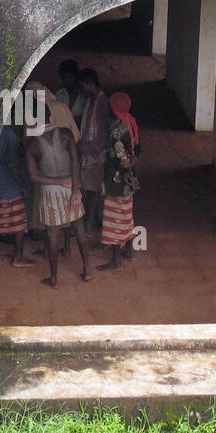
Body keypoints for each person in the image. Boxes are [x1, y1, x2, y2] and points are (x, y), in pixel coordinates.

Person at [25, 99, 93, 286]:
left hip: (50, 192)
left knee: (53, 234)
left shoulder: (32, 144)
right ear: (50, 115)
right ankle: (87, 269)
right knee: (78, 227)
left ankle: (54, 278)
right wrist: (75, 190)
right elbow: (75, 163)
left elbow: (33, 176)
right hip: (71, 186)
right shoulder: (66, 134)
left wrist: (57, 182)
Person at [99, 91, 140, 271]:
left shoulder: (116, 132)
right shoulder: (129, 123)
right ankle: (129, 250)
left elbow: (121, 158)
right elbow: (137, 150)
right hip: (130, 177)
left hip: (118, 180)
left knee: (114, 218)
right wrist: (130, 170)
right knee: (126, 214)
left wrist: (122, 172)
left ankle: (116, 259)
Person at [76, 68, 110, 237]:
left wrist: (84, 147)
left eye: (83, 86)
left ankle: (87, 228)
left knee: (91, 193)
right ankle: (93, 223)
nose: (81, 91)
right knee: (91, 191)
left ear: (91, 84)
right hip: (89, 153)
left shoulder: (102, 104)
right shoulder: (91, 100)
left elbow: (103, 137)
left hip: (95, 155)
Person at [0, 123, 33, 266]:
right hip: (9, 184)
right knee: (18, 223)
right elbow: (13, 164)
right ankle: (18, 256)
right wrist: (22, 184)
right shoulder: (9, 134)